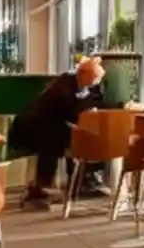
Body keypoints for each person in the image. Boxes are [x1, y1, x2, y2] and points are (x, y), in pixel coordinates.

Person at [8, 57, 106, 209]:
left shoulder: (81, 86)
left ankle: (82, 180)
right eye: (94, 78)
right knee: (60, 141)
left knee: (85, 137)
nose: (95, 83)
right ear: (83, 74)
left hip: (53, 127)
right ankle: (43, 186)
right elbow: (67, 110)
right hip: (32, 128)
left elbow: (88, 106)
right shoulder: (64, 86)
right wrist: (87, 114)